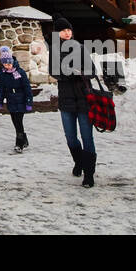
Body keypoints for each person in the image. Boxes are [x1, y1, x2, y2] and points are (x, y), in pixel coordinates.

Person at [49, 16, 97, 188]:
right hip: (66, 100)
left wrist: (81, 72)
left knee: (87, 137)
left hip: (84, 99)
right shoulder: (55, 50)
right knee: (70, 138)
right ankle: (79, 162)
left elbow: (92, 71)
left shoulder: (81, 48)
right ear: (58, 33)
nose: (67, 33)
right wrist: (68, 73)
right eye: (63, 30)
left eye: (69, 29)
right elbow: (54, 72)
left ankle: (89, 175)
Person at [0, 46, 33, 152]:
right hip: (11, 101)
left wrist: (29, 101)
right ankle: (24, 140)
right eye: (5, 64)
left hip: (21, 100)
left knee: (18, 122)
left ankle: (19, 144)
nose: (8, 66)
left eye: (9, 63)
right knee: (15, 122)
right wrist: (0, 100)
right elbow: (1, 88)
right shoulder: (2, 73)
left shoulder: (19, 72)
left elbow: (27, 88)